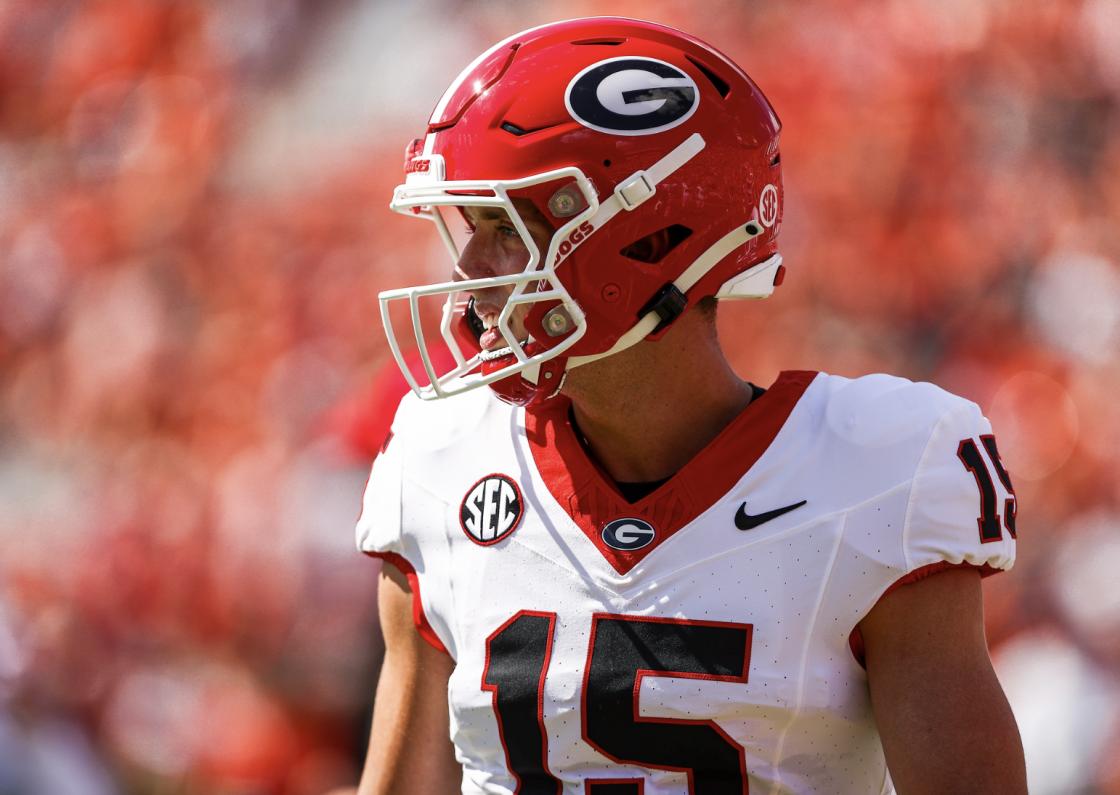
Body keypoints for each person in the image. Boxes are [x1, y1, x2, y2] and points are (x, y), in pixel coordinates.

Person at [354, 17, 1026, 795]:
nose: (469, 268)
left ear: (645, 237)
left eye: (503, 226)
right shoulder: (442, 462)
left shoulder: (876, 479)